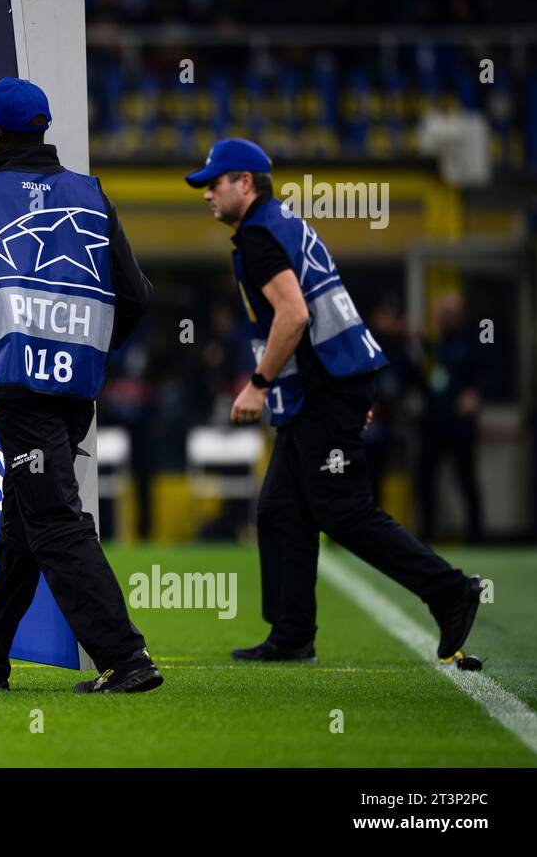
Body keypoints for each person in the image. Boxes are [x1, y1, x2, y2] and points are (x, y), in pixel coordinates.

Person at [185, 138, 482, 663]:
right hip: (330, 384)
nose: (207, 193)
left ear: (245, 183)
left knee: (342, 511)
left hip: (327, 388)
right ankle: (292, 634)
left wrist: (257, 382)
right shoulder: (282, 223)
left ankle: (449, 590)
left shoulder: (259, 236)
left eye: (215, 182)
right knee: (280, 510)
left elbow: (294, 316)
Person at [0, 77, 161, 695]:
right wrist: (89, 347)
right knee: (23, 525)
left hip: (20, 386)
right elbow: (136, 296)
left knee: (52, 518)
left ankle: (125, 658)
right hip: (77, 387)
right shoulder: (91, 195)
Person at [415, 293, 484, 544]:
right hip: (433, 424)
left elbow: (488, 371)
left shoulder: (474, 338)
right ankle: (427, 534)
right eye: (440, 314)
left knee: (466, 480)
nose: (443, 319)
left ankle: (477, 536)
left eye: (448, 313)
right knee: (426, 480)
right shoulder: (432, 343)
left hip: (460, 425)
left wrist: (475, 394)